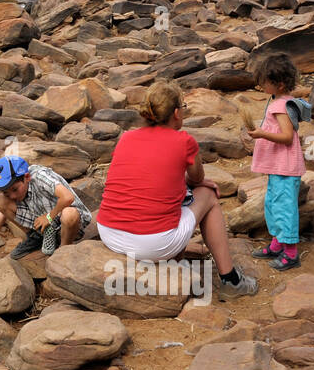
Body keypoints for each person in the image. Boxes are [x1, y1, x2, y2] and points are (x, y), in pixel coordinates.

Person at [94, 80, 257, 298]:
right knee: (207, 195)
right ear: (177, 113)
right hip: (151, 243)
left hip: (109, 232)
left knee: (172, 199)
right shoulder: (184, 141)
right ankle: (231, 281)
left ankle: (171, 263)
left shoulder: (127, 137)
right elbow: (198, 178)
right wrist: (197, 184)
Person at [0, 155, 92, 275]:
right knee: (0, 201)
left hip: (69, 223)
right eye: (8, 192)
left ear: (26, 177)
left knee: (69, 213)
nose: (13, 196)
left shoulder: (40, 176)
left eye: (15, 189)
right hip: (45, 223)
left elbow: (67, 198)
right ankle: (36, 237)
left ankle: (63, 250)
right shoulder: (15, 194)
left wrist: (49, 217)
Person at [247, 54, 306, 270]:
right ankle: (276, 244)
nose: (261, 85)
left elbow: (287, 136)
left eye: (265, 82)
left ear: (279, 84)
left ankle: (290, 253)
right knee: (273, 204)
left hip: (285, 168)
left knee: (284, 208)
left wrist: (262, 134)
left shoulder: (281, 105)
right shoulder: (277, 101)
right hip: (279, 167)